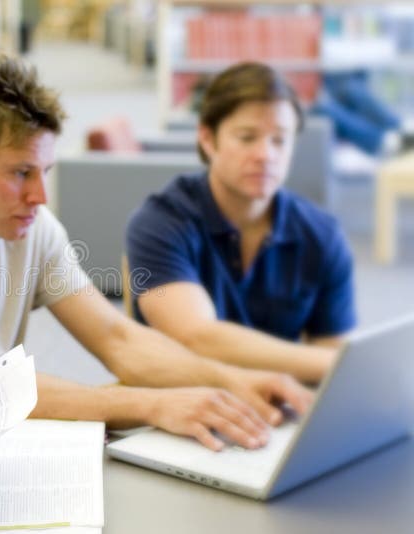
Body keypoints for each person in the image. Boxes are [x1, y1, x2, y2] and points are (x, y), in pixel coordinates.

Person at [0, 54, 313, 453]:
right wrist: (158, 404)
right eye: (20, 173)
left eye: (45, 172)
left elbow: (119, 338)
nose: (40, 196)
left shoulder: (28, 226)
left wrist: (235, 382)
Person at [126, 62, 356, 385]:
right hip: (178, 407)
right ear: (207, 138)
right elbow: (195, 337)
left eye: (280, 140)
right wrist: (334, 362)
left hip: (277, 410)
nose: (265, 155)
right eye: (247, 138)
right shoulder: (159, 222)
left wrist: (334, 366)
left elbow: (331, 369)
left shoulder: (323, 235)